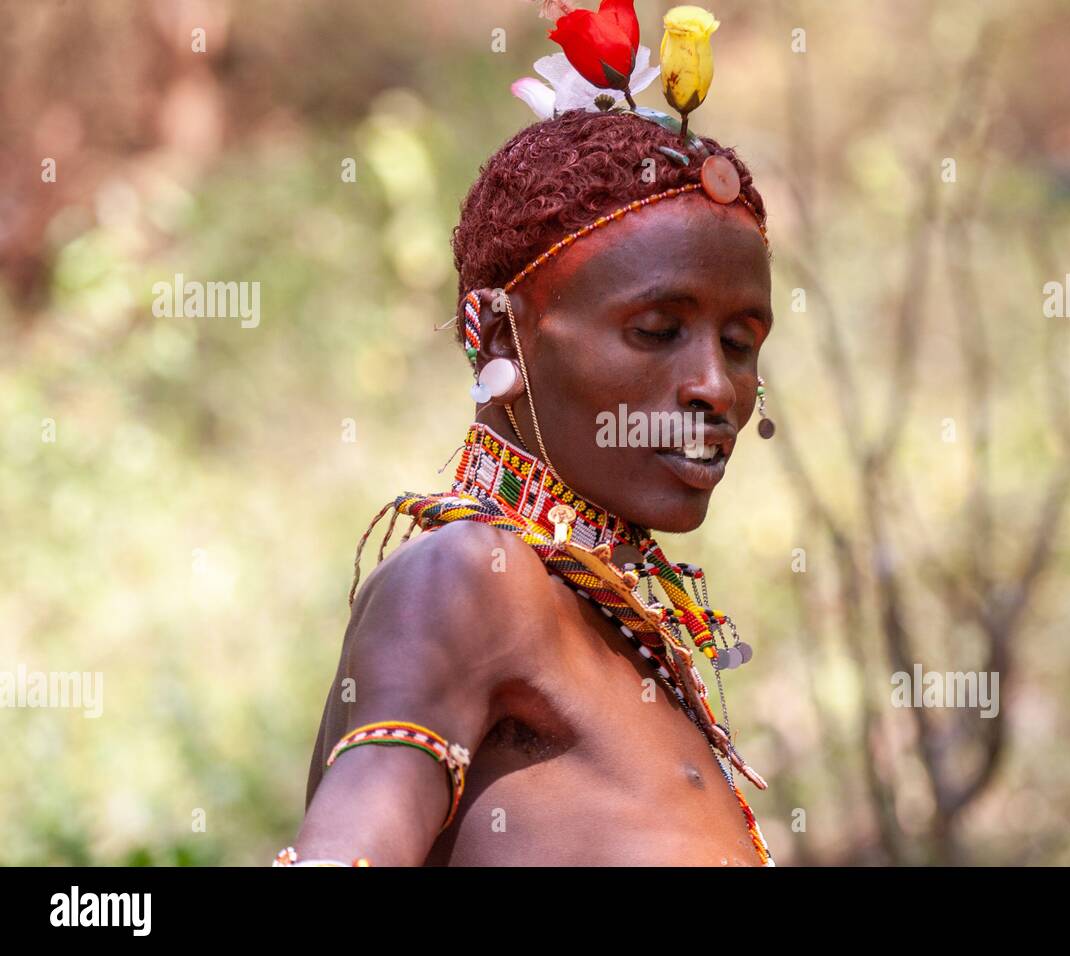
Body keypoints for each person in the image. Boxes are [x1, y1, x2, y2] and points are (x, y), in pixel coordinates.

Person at [276, 6, 779, 868]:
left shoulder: (611, 627)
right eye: (658, 329)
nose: (715, 386)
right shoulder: (467, 580)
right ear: (502, 338)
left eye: (741, 343)